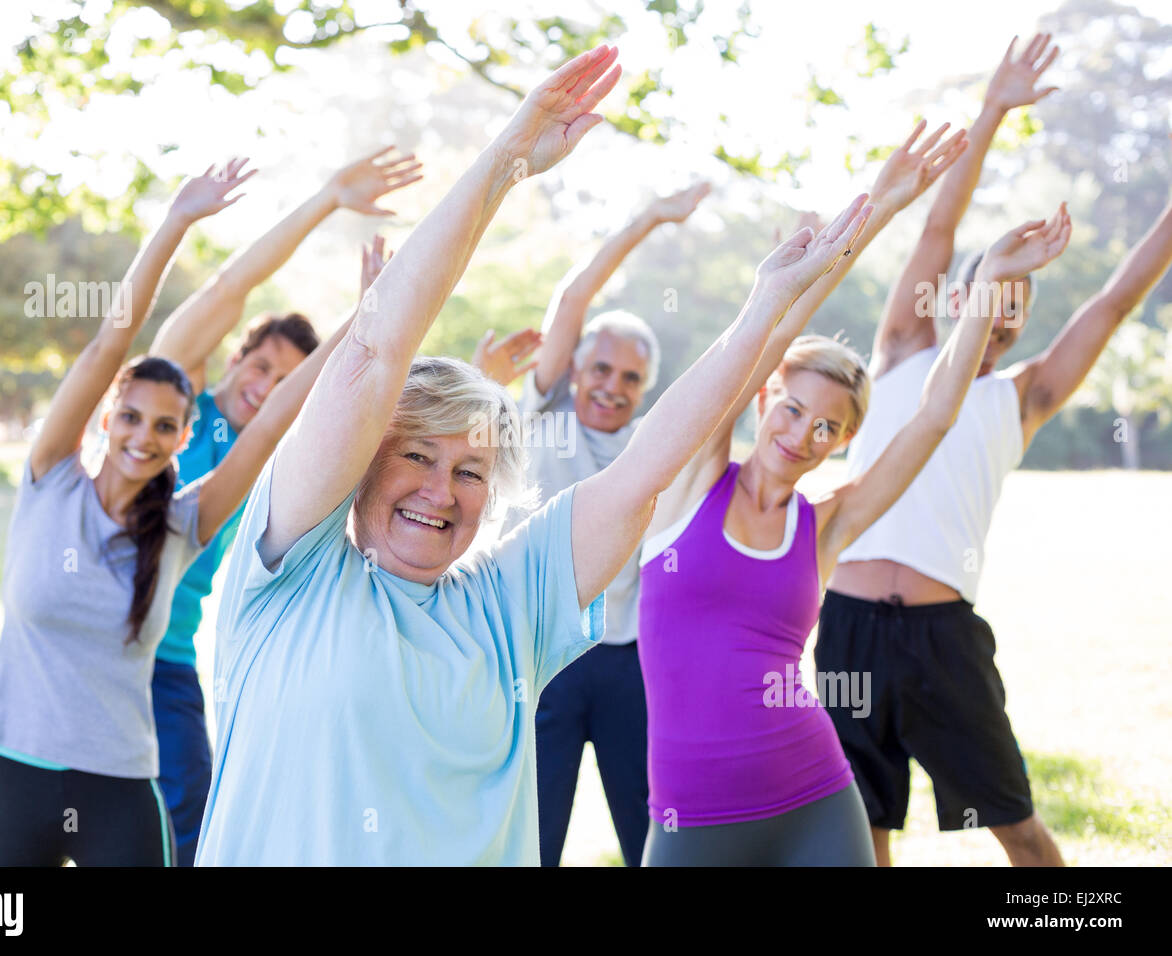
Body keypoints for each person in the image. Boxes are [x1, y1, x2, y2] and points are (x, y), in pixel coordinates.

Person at [195, 45, 871, 866]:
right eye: (416, 455)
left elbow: (644, 469)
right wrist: (507, 160)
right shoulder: (288, 570)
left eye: (471, 470)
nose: (441, 490)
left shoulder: (511, 603)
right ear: (364, 462)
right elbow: (374, 351)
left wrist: (768, 305)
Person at [819, 33, 1172, 867]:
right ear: (958, 297)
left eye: (1019, 304)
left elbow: (1118, 299)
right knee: (859, 832)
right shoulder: (905, 345)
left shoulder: (1023, 396)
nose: (1003, 313)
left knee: (1014, 823)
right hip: (848, 631)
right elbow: (940, 221)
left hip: (945, 641)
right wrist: (993, 108)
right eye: (992, 291)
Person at [638, 199, 1071, 866]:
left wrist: (986, 291)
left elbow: (932, 417)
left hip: (814, 793)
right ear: (762, 402)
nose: (801, 434)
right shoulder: (695, 483)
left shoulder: (825, 523)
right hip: (690, 812)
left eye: (826, 428)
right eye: (791, 409)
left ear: (843, 442)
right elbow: (751, 353)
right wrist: (804, 269)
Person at [0, 162, 365, 866]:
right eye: (129, 417)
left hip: (121, 773)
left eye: (163, 427)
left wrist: (367, 317)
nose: (141, 437)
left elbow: (275, 422)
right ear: (107, 415)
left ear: (185, 437)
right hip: (15, 772)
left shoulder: (186, 521)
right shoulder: (49, 477)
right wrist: (176, 221)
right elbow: (107, 346)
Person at [145, 148, 417, 866]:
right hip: (89, 644)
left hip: (166, 659)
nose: (267, 386)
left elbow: (339, 397)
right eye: (260, 366)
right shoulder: (176, 405)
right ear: (233, 359)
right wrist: (327, 197)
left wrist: (371, 314)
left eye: (286, 378)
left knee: (192, 830)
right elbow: (231, 286)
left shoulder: (269, 461)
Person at [473, 183, 708, 868]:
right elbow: (572, 300)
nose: (610, 385)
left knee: (648, 835)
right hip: (541, 658)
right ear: (574, 367)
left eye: (630, 378)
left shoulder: (648, 444)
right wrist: (649, 217)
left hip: (624, 663)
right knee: (533, 836)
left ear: (644, 390)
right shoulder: (546, 412)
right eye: (599, 368)